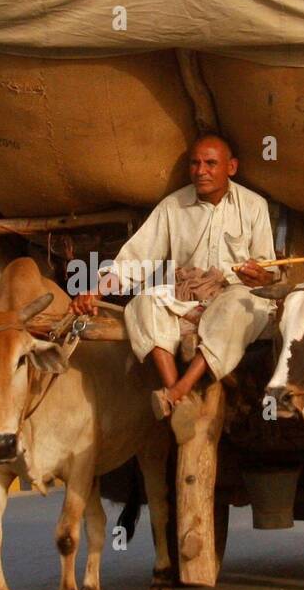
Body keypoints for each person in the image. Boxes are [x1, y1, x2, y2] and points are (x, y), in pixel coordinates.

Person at [70, 133, 277, 424]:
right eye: (195, 163)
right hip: (188, 299)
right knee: (144, 302)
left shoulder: (254, 205)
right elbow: (135, 261)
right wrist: (96, 292)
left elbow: (270, 270)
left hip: (235, 297)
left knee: (238, 304)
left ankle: (179, 390)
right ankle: (180, 398)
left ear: (231, 167)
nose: (201, 171)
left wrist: (260, 275)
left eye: (210, 163)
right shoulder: (172, 206)